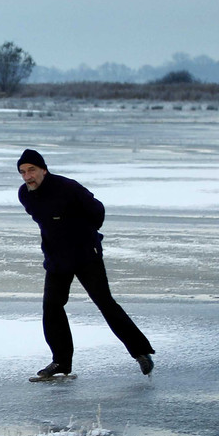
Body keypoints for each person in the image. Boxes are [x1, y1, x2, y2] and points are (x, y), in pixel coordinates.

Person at [16, 149, 155, 379]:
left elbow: (97, 211)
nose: (28, 176)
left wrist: (85, 234)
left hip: (85, 255)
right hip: (56, 258)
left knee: (105, 303)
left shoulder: (68, 188)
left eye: (32, 170)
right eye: (22, 172)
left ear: (44, 169)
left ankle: (141, 352)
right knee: (52, 308)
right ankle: (60, 362)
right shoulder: (25, 194)